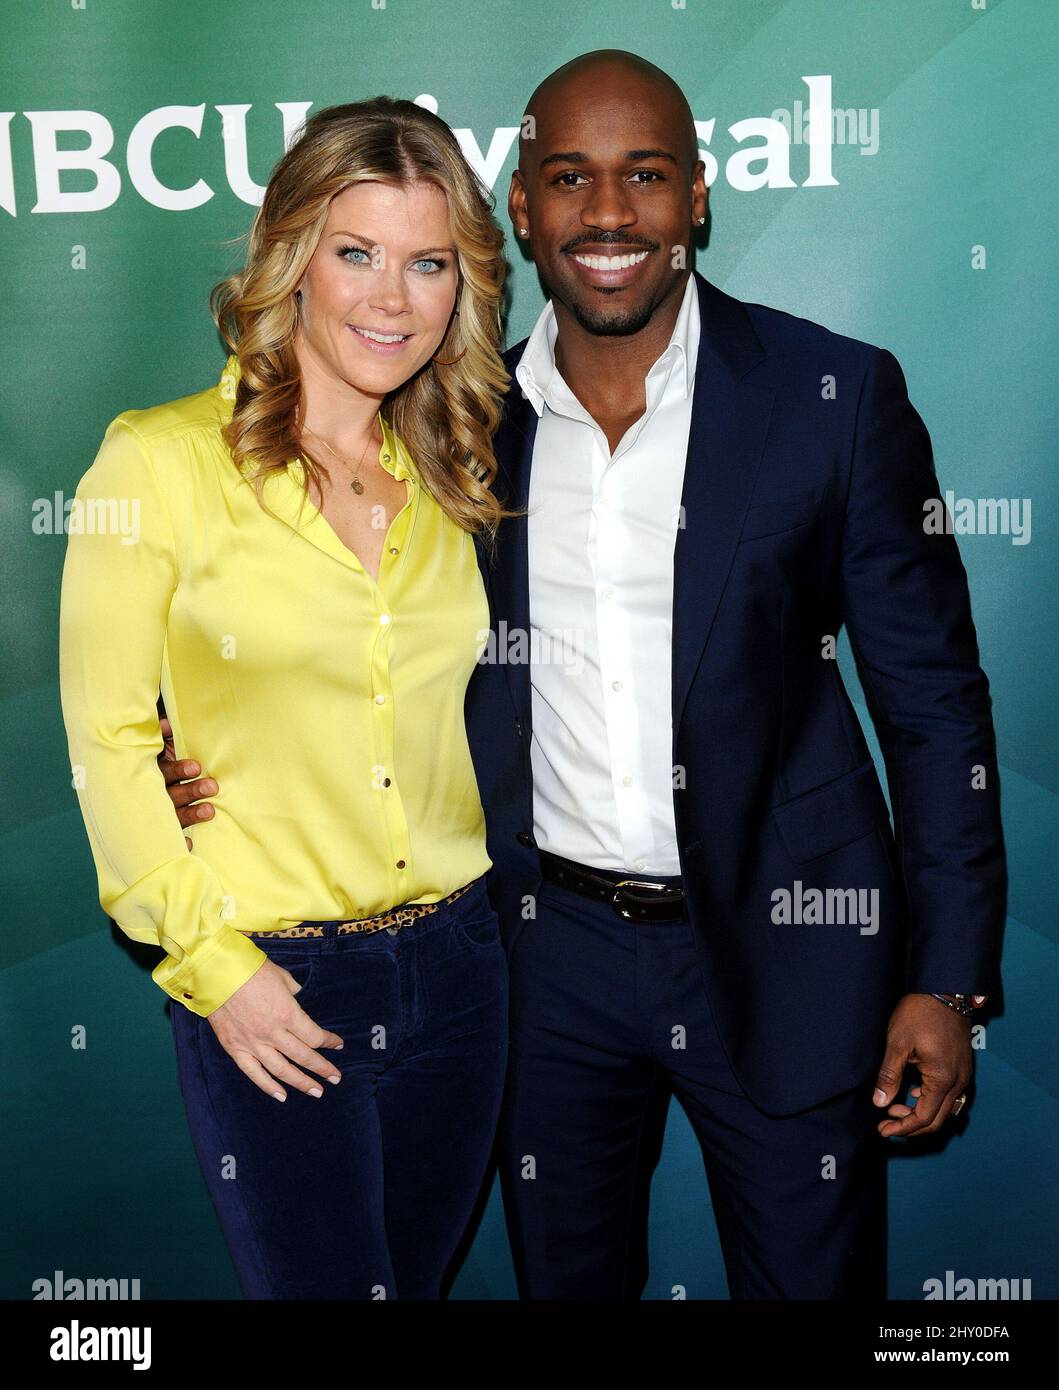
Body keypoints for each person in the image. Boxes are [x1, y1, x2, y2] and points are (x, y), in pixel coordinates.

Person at [165, 52, 1007, 1301]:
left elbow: (935, 706)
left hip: (791, 950)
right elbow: (341, 633)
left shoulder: (832, 397)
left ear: (697, 199)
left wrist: (944, 976)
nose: (608, 215)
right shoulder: (451, 420)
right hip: (538, 961)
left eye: (644, 177)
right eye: (570, 178)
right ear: (520, 208)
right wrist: (198, 757)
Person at [59, 97, 513, 1301]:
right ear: (290, 255)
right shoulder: (155, 463)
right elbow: (106, 742)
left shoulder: (456, 475)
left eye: (427, 264)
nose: (390, 298)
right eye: (355, 252)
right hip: (275, 982)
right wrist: (219, 969)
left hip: (463, 966)